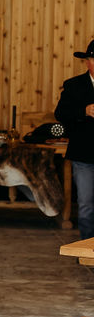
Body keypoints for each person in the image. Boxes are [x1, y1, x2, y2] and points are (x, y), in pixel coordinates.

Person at [54, 39, 94, 237]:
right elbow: (60, 114)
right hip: (84, 154)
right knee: (86, 204)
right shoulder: (74, 85)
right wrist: (84, 111)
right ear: (87, 62)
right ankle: (87, 251)